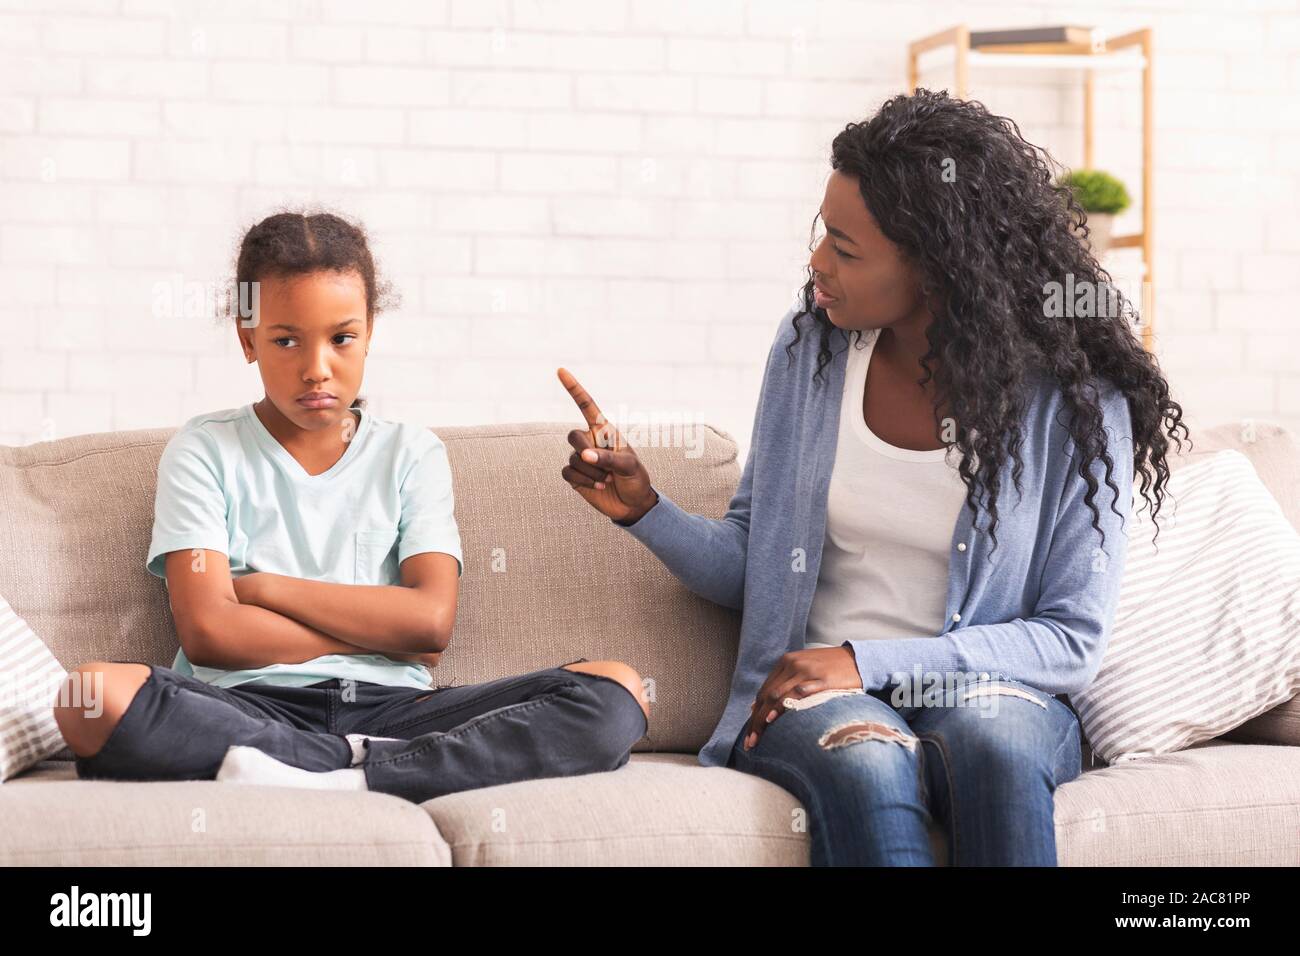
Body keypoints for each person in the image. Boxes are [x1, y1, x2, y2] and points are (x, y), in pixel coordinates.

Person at [559, 89, 1188, 865]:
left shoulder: (1073, 399)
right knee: (866, 755)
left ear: (939, 266)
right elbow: (760, 562)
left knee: (994, 743)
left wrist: (867, 660)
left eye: (848, 250)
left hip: (991, 698)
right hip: (823, 701)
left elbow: (1069, 640)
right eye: (825, 232)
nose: (818, 263)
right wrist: (646, 510)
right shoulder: (811, 353)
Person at [54, 211, 648, 804]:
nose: (317, 368)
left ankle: (323, 770)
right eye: (286, 340)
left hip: (394, 710)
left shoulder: (412, 453)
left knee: (617, 692)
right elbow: (211, 632)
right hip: (244, 705)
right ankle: (382, 770)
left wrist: (264, 589)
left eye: (342, 338)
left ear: (369, 333)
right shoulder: (205, 448)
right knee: (91, 696)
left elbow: (430, 625)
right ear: (247, 339)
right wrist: (376, 630)